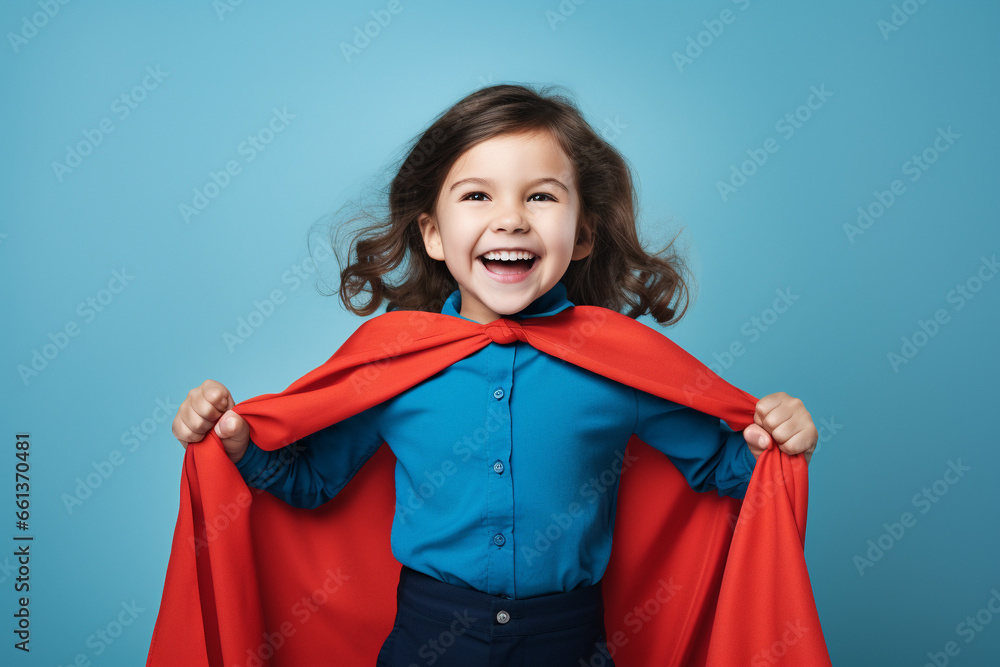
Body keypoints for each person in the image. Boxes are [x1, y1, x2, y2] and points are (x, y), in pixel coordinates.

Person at [171, 84, 818, 666]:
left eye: (540, 196)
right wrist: (235, 445)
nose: (510, 218)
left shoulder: (619, 363)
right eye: (477, 195)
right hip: (429, 638)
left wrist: (779, 438)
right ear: (432, 233)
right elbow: (310, 481)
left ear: (583, 233)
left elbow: (726, 469)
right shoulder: (394, 360)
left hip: (567, 642)